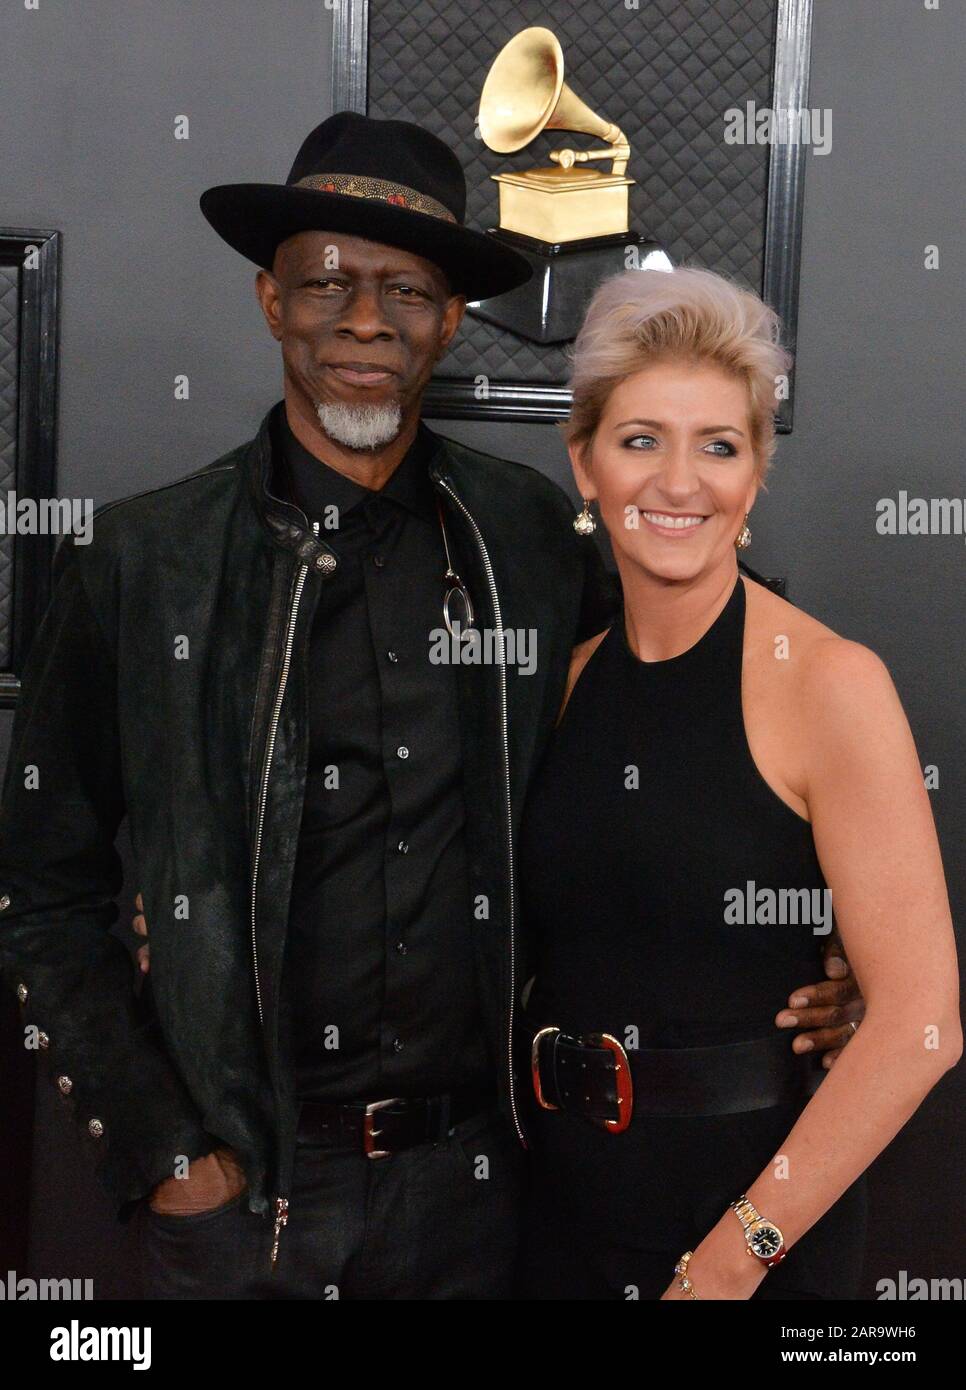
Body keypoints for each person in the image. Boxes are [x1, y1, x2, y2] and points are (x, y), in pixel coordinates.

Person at [0, 114, 861, 1301]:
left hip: (481, 1190)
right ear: (268, 301)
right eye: (327, 283)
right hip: (239, 1197)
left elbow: (723, 678)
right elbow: (42, 890)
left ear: (450, 320)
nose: (364, 320)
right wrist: (165, 1154)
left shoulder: (529, 539)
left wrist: (824, 933)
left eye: (405, 289)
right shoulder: (144, 564)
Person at [518, 265, 961, 1299]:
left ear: (757, 472)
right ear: (583, 461)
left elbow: (921, 1023)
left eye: (719, 444)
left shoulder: (830, 684)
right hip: (556, 1223)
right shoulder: (557, 683)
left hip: (755, 1241)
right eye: (640, 440)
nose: (680, 482)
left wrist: (730, 1263)